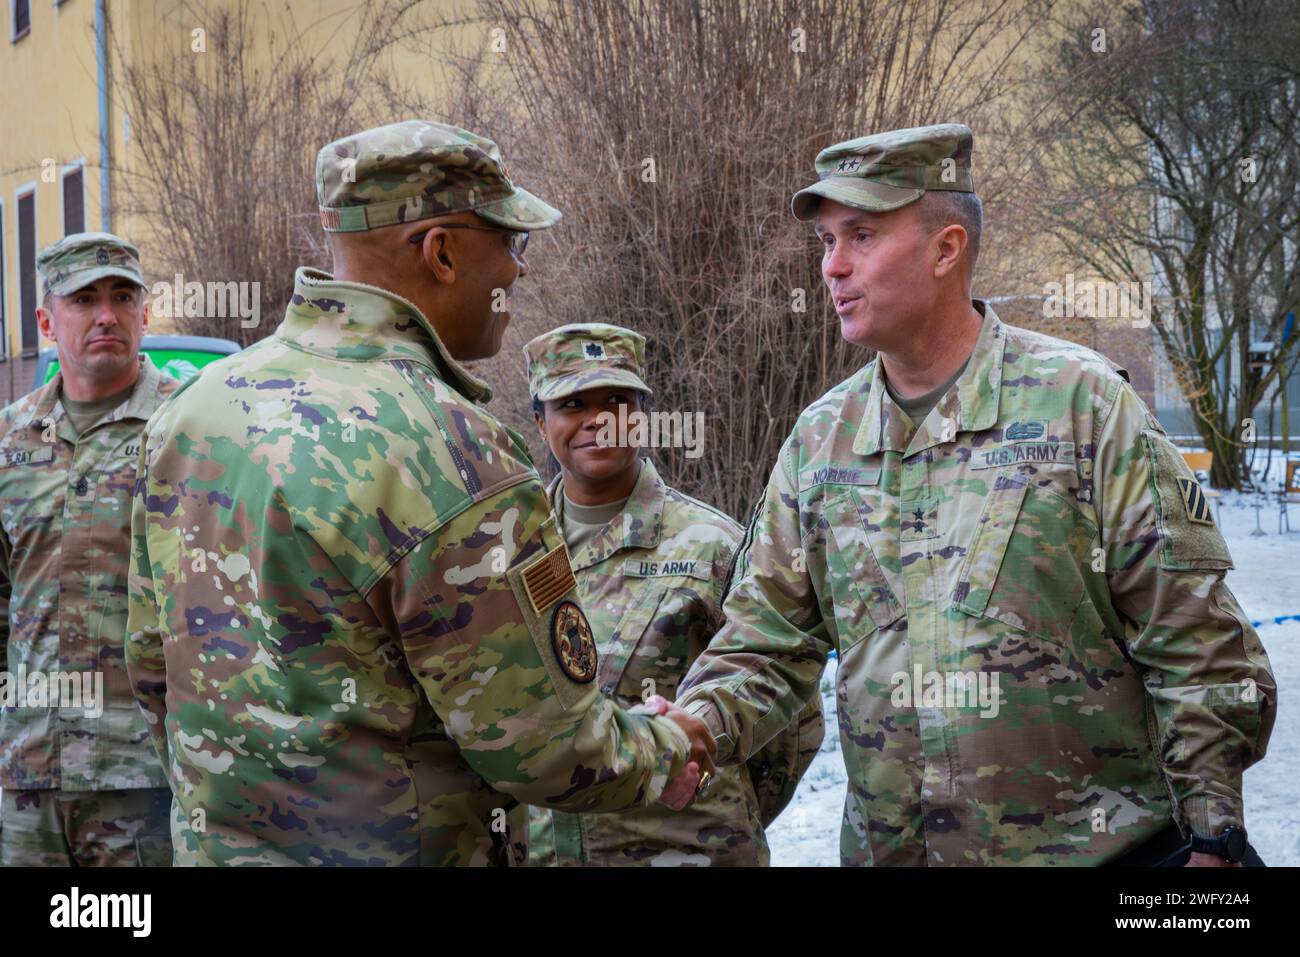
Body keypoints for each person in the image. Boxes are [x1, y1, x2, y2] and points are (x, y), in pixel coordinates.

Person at [677, 123, 1276, 866]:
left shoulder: (1082, 407)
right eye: (827, 241)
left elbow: (1195, 641)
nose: (832, 267)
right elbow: (765, 644)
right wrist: (696, 724)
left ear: (945, 247)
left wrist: (1213, 835)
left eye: (860, 235)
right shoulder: (820, 440)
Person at [124, 120, 713, 867]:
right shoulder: (447, 447)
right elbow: (540, 746)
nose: (519, 273)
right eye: (511, 242)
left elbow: (151, 669)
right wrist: (666, 749)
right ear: (442, 251)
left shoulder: (190, 412)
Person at [522, 322, 823, 866]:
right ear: (541, 424)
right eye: (572, 403)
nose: (598, 419)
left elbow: (790, 718)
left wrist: (721, 806)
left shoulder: (714, 545)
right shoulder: (512, 552)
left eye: (617, 399)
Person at [0, 232, 177, 865]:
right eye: (85, 299)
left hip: (142, 779)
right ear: (47, 320)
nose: (107, 314)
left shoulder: (188, 430)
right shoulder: (11, 438)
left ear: (145, 313)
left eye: (122, 296)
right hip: (27, 779)